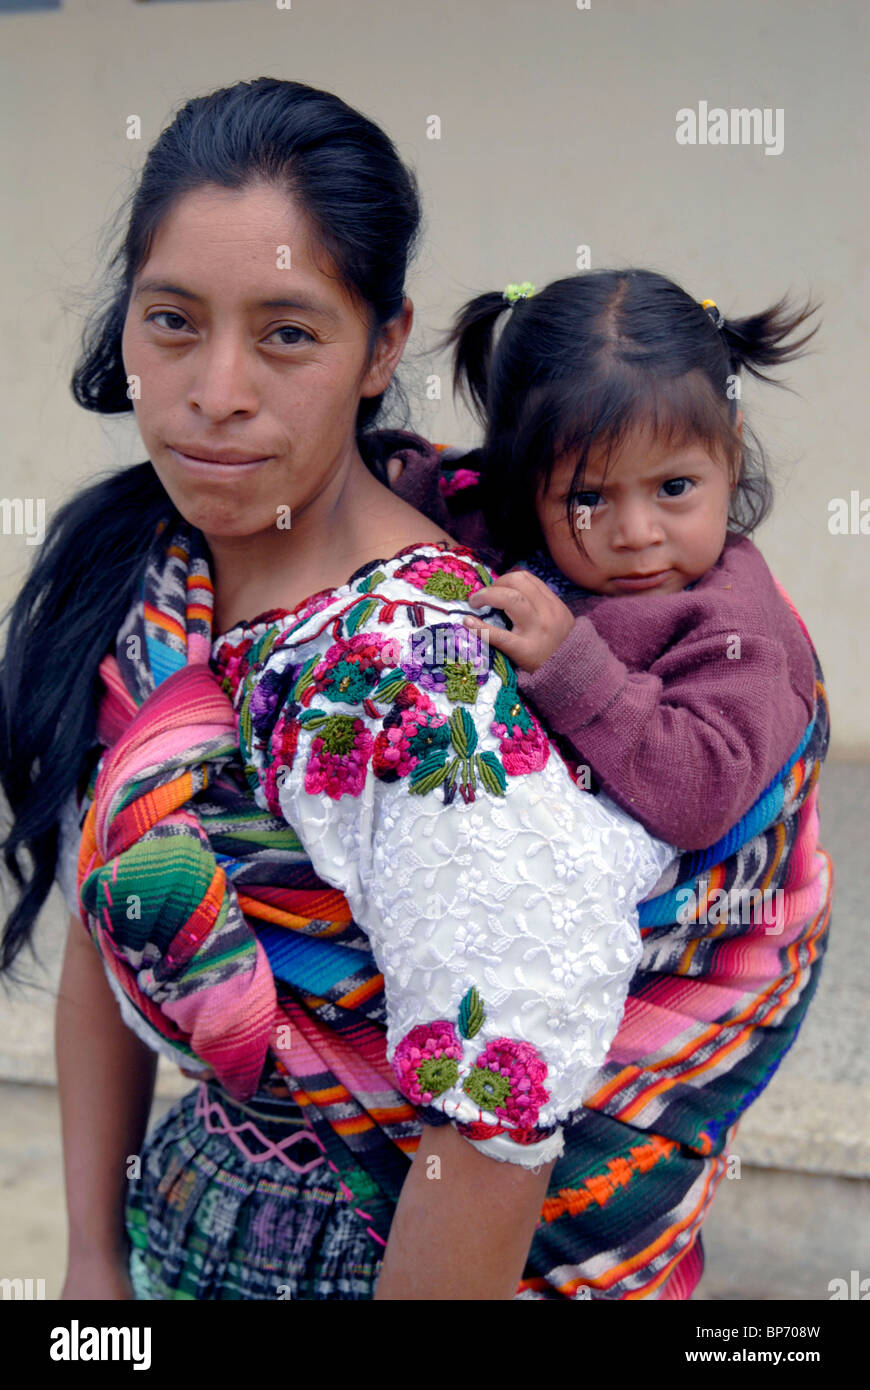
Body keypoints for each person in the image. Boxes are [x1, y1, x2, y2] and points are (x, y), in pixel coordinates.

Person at [0, 78, 678, 1302]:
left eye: (287, 332)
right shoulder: (151, 580)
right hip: (172, 1230)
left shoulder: (416, 679)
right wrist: (90, 1259)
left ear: (382, 345)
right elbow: (122, 919)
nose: (215, 388)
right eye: (170, 321)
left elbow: (489, 1137)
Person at [388, 270, 823, 851]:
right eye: (588, 499)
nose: (637, 534)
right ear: (523, 480)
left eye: (674, 487)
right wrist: (397, 483)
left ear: (732, 453)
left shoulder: (735, 630)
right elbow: (446, 515)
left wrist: (572, 666)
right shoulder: (512, 522)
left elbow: (702, 795)